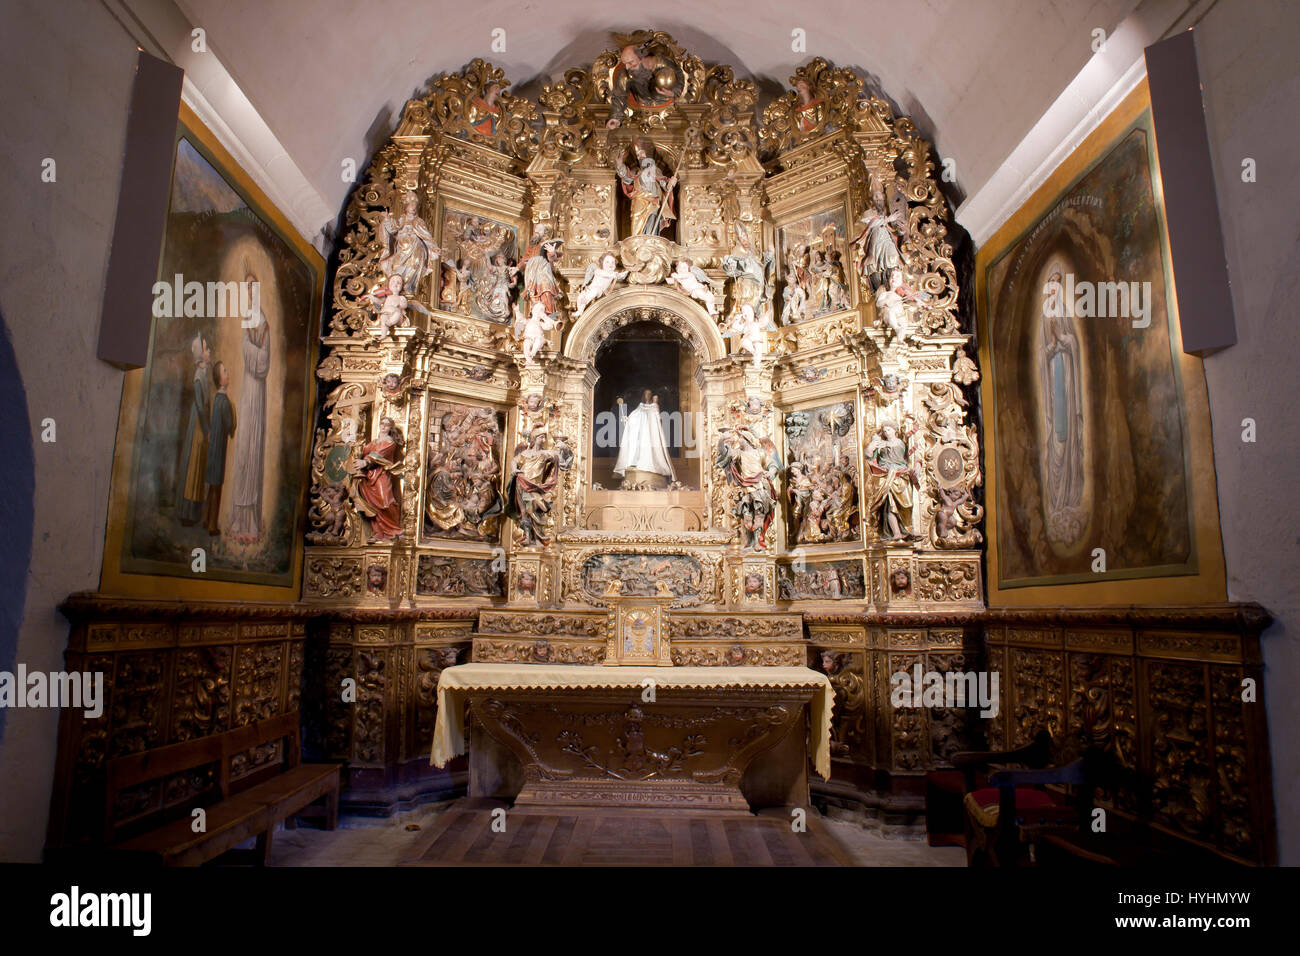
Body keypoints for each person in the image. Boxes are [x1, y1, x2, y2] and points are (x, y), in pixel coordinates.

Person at [177, 334, 210, 526]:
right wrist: (206, 429)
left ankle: (195, 511)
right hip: (198, 423)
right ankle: (188, 513)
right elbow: (199, 405)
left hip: (202, 420)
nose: (209, 351)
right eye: (206, 349)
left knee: (199, 465)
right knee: (193, 466)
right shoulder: (198, 377)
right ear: (200, 355)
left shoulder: (204, 373)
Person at [202, 360, 236, 536]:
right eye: (225, 371)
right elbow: (230, 426)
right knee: (217, 489)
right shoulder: (224, 402)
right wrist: (234, 411)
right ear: (220, 380)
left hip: (213, 449)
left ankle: (205, 518)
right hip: (219, 450)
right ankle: (212, 526)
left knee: (211, 487)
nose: (228, 373)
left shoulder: (217, 399)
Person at [613, 389, 676, 483]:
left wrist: (655, 404)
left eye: (649, 394)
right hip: (641, 434)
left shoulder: (654, 406)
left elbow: (657, 419)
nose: (647, 396)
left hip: (651, 434)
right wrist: (629, 419)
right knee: (637, 447)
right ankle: (636, 462)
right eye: (646, 394)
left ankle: (654, 465)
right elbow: (635, 415)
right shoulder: (640, 406)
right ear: (643, 395)